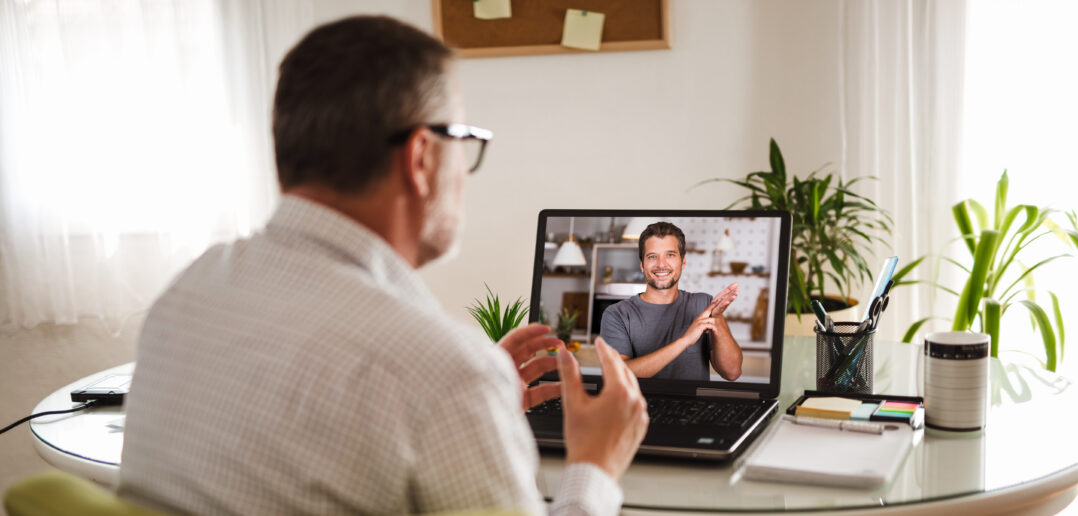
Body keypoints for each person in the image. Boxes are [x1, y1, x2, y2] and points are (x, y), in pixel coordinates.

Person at [117, 16, 648, 516]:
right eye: (463, 140)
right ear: (421, 158)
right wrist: (595, 466)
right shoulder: (443, 372)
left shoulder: (185, 294)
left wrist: (477, 407)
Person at [600, 222, 743, 381]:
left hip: (691, 399)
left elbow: (732, 372)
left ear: (683, 262)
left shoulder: (703, 304)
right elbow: (617, 375)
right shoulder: (617, 314)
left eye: (670, 255)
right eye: (652, 256)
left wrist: (717, 318)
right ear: (642, 265)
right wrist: (685, 341)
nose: (661, 264)